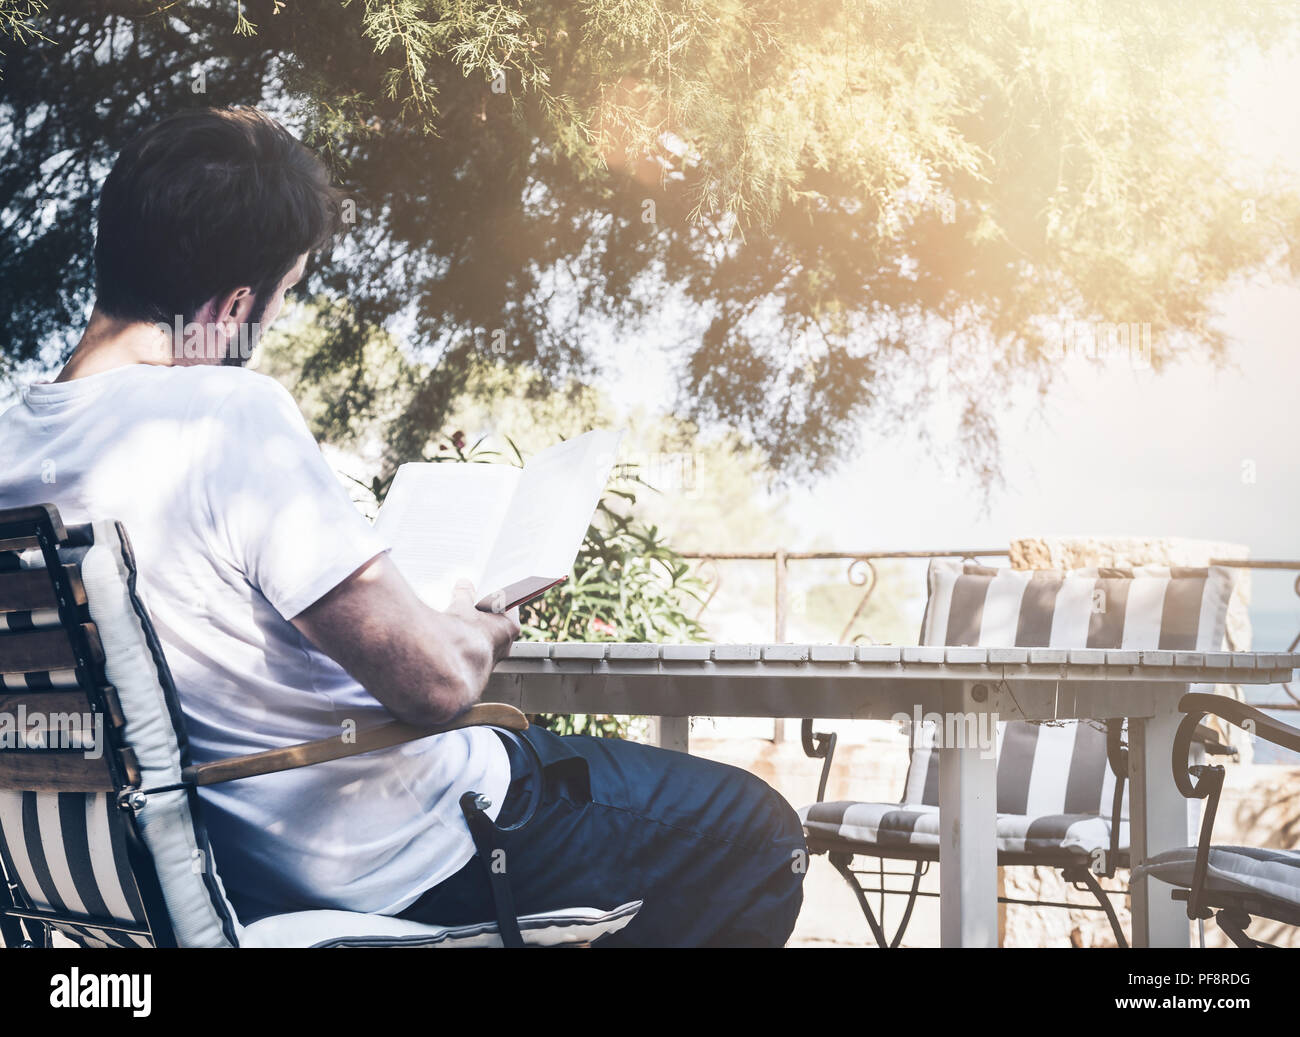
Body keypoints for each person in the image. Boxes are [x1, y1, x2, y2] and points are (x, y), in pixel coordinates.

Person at [0, 106, 805, 946]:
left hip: (188, 871)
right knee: (758, 834)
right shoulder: (222, 415)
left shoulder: (11, 446)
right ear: (233, 303)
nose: (271, 325)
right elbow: (432, 685)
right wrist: (474, 630)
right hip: (408, 852)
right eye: (283, 297)